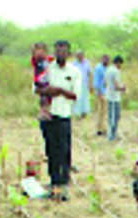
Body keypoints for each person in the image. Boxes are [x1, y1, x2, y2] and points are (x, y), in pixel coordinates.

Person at [37, 40, 81, 200]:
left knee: (64, 151)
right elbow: (37, 88)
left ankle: (63, 184)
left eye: (63, 51)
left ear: (68, 54)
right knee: (51, 151)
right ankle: (54, 183)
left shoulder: (74, 71)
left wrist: (60, 91)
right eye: (57, 50)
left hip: (63, 116)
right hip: (48, 116)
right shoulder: (47, 69)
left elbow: (75, 95)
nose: (60, 53)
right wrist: (47, 91)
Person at [31, 43, 54, 121]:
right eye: (37, 52)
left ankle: (48, 112)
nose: (40, 54)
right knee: (43, 97)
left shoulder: (49, 59)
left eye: (42, 52)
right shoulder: (36, 62)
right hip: (40, 82)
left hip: (49, 81)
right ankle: (43, 112)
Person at [105, 56, 126, 141]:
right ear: (118, 63)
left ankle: (111, 134)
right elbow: (116, 86)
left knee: (111, 116)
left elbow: (105, 83)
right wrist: (123, 88)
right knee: (115, 117)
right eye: (120, 64)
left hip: (109, 95)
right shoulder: (115, 71)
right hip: (114, 97)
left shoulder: (108, 70)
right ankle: (112, 135)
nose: (120, 66)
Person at [73, 50, 92, 120]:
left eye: (80, 55)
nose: (79, 56)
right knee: (78, 99)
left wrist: (90, 84)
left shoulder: (87, 63)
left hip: (85, 83)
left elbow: (90, 74)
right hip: (77, 84)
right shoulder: (74, 64)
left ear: (83, 55)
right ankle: (77, 114)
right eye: (78, 55)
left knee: (85, 99)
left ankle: (84, 113)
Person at [93, 54, 109, 136]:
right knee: (100, 111)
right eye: (105, 59)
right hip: (100, 92)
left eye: (107, 60)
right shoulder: (98, 68)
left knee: (105, 111)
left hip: (106, 92)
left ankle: (104, 128)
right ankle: (99, 129)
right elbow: (96, 81)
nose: (106, 61)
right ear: (102, 59)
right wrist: (99, 92)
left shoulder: (107, 68)